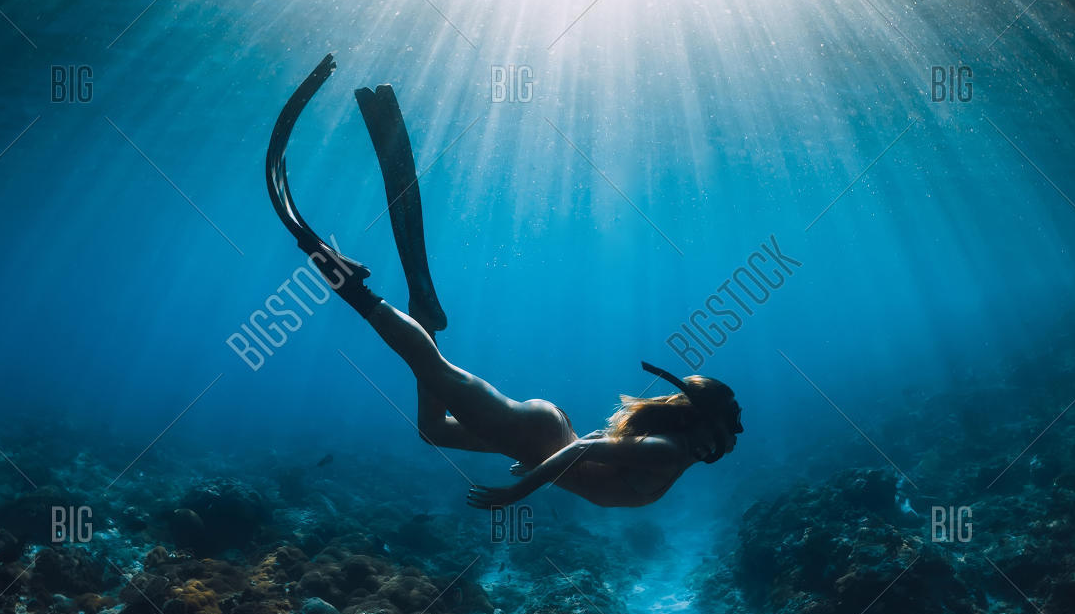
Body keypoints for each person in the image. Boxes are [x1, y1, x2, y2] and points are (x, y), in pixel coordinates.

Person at [266, 54, 742, 509]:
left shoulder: (670, 445)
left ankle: (423, 313)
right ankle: (354, 288)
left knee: (434, 430)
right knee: (432, 369)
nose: (725, 440)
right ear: (705, 421)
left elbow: (592, 444)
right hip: (539, 435)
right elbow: (581, 454)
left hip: (543, 434)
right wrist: (516, 493)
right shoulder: (666, 450)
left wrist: (542, 464)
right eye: (726, 428)